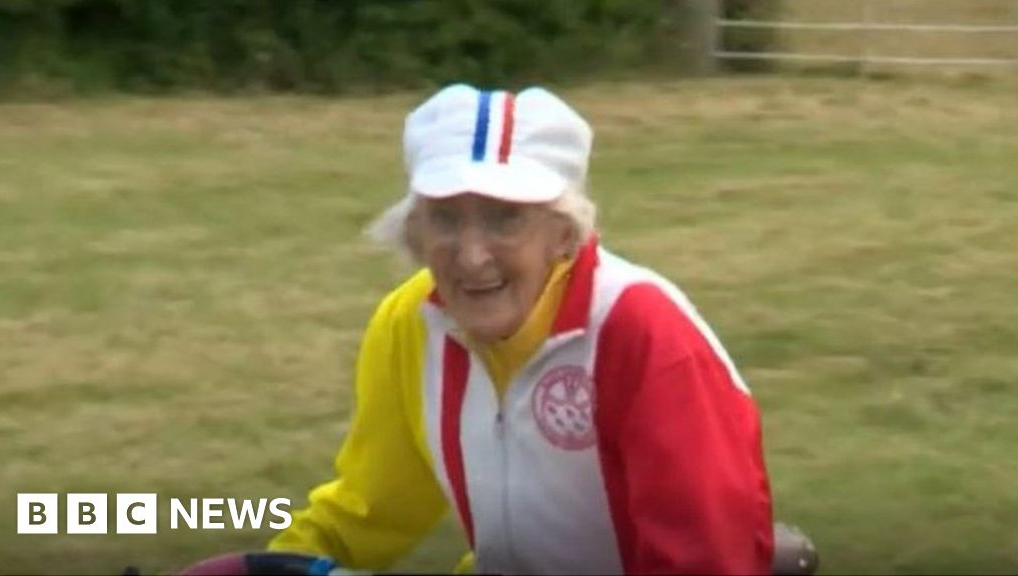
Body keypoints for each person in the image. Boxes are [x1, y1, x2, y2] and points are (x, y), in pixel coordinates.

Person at [267, 84, 775, 575]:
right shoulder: (409, 324)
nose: (472, 256)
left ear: (563, 232)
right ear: (415, 232)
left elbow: (706, 556)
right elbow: (372, 509)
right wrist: (270, 563)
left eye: (504, 219)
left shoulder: (643, 332)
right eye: (445, 219)